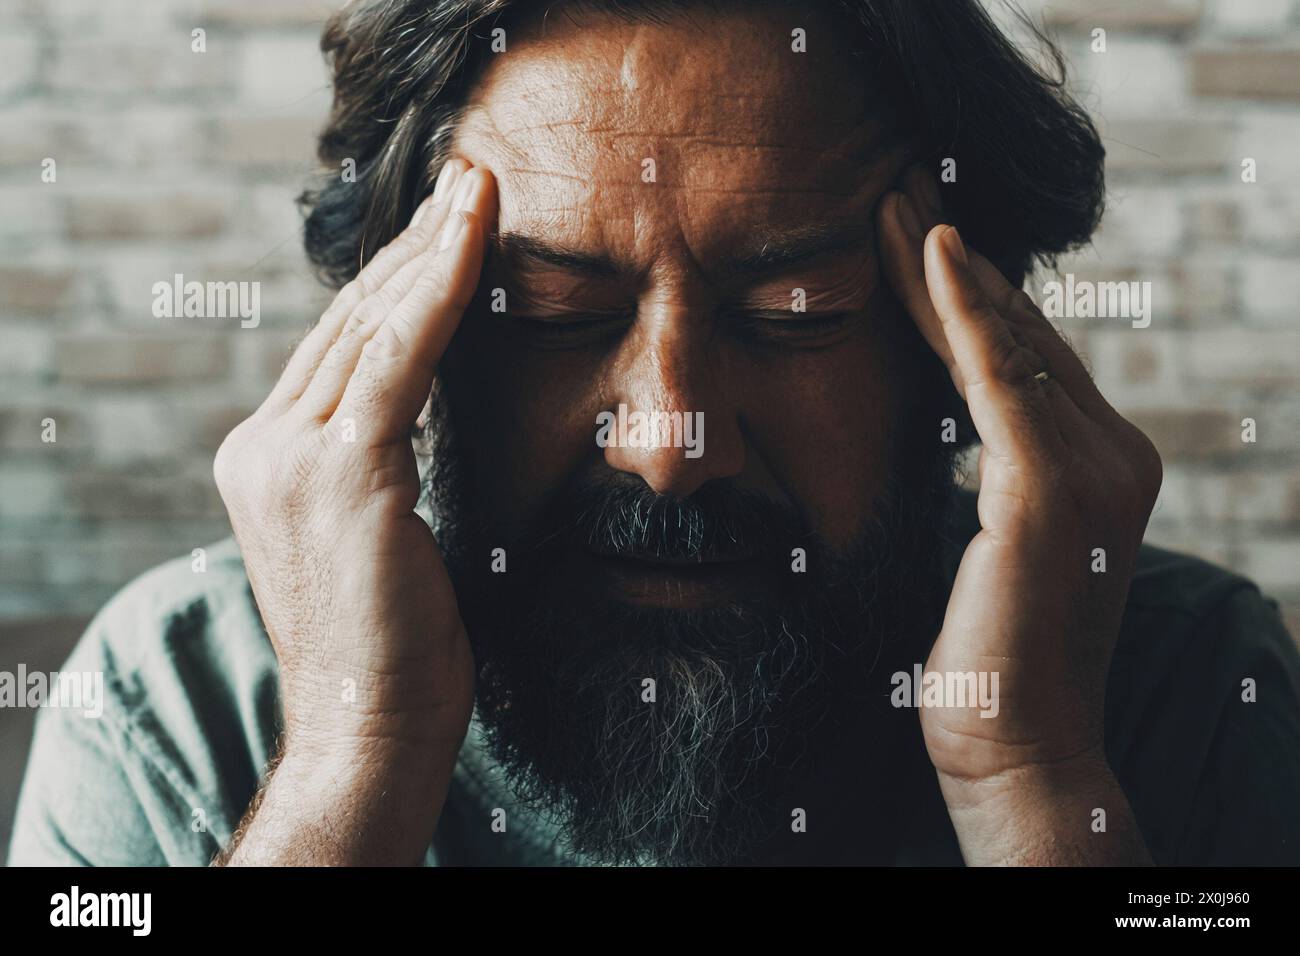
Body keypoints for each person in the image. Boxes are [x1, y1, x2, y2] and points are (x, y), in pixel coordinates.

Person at [10, 0, 1300, 867]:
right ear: (407, 336)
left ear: (958, 349)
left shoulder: (1181, 685)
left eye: (797, 313)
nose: (671, 445)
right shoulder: (173, 704)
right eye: (557, 313)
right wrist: (353, 766)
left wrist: (1033, 773)